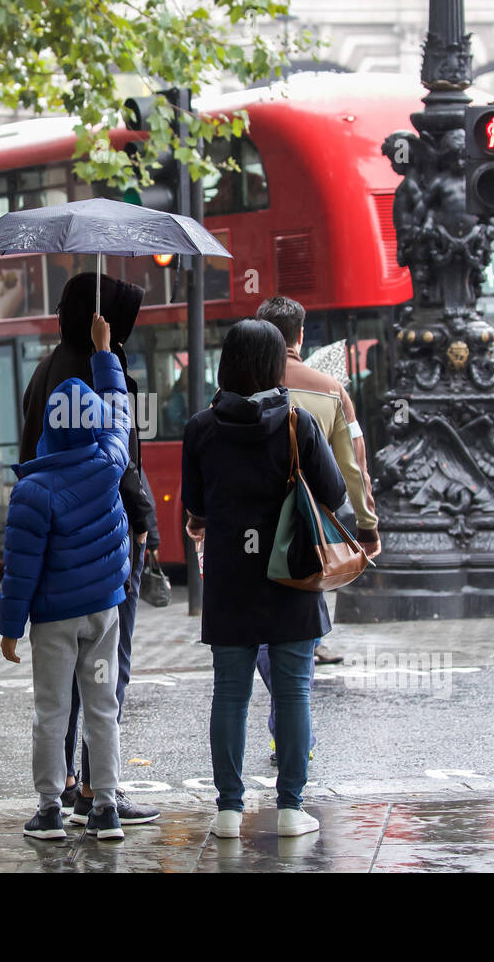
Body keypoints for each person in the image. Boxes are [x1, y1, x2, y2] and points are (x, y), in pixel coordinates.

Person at [182, 319, 346, 839]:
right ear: (277, 366)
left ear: (226, 364)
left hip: (231, 579)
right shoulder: (299, 423)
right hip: (291, 576)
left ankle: (229, 809)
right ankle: (291, 807)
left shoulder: (201, 429)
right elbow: (336, 494)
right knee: (293, 693)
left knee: (230, 693)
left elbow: (197, 505)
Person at [19, 272, 159, 826]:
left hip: (57, 557)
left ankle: (66, 790)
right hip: (102, 548)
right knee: (105, 676)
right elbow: (116, 447)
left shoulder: (46, 369)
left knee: (59, 692)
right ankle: (100, 793)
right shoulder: (89, 370)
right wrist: (143, 520)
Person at [0, 313, 134, 842]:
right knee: (103, 708)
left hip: (54, 621)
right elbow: (120, 411)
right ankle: (105, 808)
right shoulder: (109, 459)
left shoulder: (33, 491)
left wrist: (10, 628)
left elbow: (20, 569)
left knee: (51, 710)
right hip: (104, 612)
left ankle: (50, 809)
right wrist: (105, 354)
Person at [257, 295, 380, 665]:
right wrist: (367, 525)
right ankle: (307, 647)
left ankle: (271, 649)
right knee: (306, 581)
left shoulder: (242, 385)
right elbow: (353, 466)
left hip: (253, 517)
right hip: (310, 515)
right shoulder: (331, 389)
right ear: (300, 336)